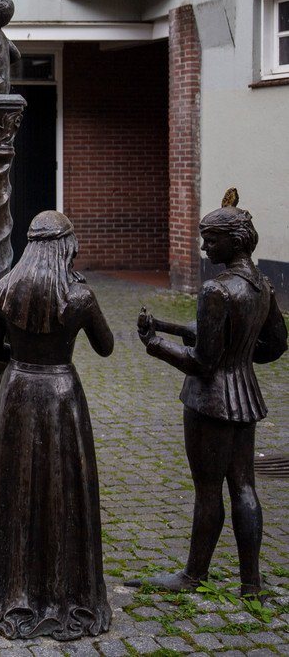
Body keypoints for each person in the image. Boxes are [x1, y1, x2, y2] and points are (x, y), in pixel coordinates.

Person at [0, 210, 114, 641]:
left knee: (12, 484)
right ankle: (65, 591)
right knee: (63, 487)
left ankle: (6, 586)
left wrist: (24, 353)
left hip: (19, 390)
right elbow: (106, 347)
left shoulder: (5, 289)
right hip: (61, 395)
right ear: (66, 246)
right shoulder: (80, 296)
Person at [128, 191, 286, 599]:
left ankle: (193, 574)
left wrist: (153, 343)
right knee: (245, 486)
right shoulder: (263, 284)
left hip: (211, 402)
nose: (203, 246)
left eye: (210, 239)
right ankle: (251, 583)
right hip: (245, 397)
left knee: (208, 490)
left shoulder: (216, 290)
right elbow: (275, 345)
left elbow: (202, 362)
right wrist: (170, 327)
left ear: (234, 242)